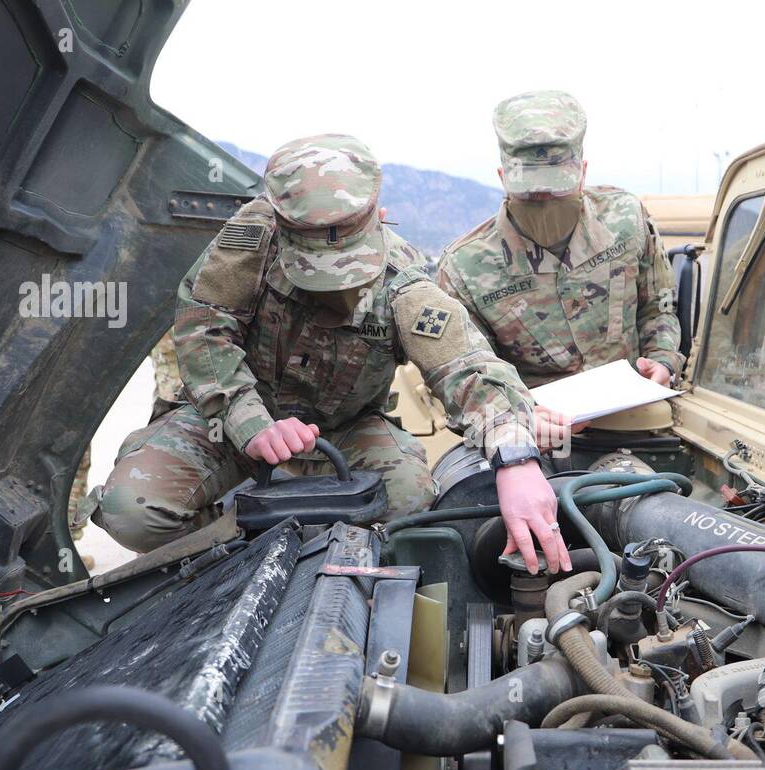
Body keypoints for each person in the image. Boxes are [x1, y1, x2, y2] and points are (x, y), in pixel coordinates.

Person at [87, 134, 569, 573]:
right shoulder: (248, 243)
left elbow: (467, 366)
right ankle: (230, 560)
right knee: (133, 510)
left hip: (346, 430)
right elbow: (204, 329)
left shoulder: (403, 282)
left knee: (409, 499)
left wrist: (516, 460)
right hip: (232, 421)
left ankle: (324, 567)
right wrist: (250, 422)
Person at [436, 90, 683, 445]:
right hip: (536, 441)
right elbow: (462, 376)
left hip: (640, 424)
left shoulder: (626, 221)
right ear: (503, 177)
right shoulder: (465, 269)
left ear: (582, 174)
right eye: (531, 195)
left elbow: (657, 307)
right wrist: (511, 417)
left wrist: (662, 359)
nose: (544, 203)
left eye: (556, 192)